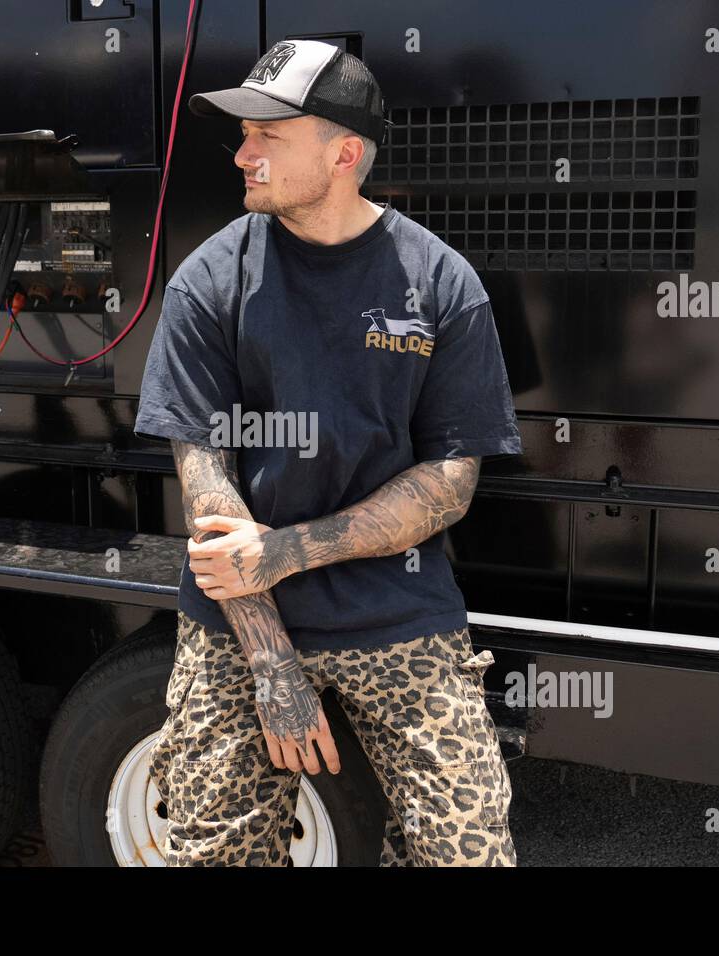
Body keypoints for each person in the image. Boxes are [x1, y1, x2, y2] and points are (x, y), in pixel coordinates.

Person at [133, 38, 522, 866]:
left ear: (344, 154)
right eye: (242, 134)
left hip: (397, 606)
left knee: (469, 852)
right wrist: (275, 671)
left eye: (267, 136)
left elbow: (451, 481)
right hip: (240, 623)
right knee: (217, 850)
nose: (242, 153)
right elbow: (208, 495)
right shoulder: (209, 280)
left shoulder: (440, 284)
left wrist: (285, 551)